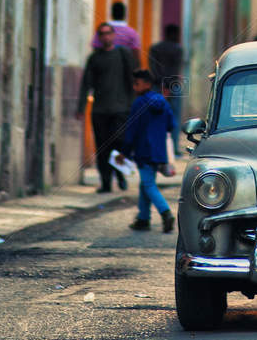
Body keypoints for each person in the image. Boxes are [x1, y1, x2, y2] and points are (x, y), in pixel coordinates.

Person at [77, 22, 135, 193]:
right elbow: (86, 84)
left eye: (108, 33)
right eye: (102, 34)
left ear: (113, 35)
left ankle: (120, 173)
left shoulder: (123, 54)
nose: (106, 37)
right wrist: (80, 107)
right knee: (102, 147)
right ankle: (106, 182)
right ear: (99, 37)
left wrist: (133, 105)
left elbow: (132, 80)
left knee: (119, 143)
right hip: (100, 110)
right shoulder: (94, 58)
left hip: (121, 110)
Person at [122, 67, 177, 233]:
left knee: (148, 184)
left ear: (146, 84)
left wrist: (125, 151)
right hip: (158, 152)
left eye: (136, 83)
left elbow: (131, 130)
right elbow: (171, 125)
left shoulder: (138, 103)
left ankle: (165, 212)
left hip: (143, 150)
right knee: (145, 184)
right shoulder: (163, 102)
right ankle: (143, 218)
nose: (134, 87)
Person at [149, 23, 185, 150]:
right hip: (173, 87)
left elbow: (153, 68)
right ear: (174, 34)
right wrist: (168, 86)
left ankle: (155, 145)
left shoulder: (154, 48)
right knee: (174, 117)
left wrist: (161, 84)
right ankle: (174, 148)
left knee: (155, 117)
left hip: (156, 86)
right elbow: (175, 70)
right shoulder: (178, 49)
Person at [109, 0, 141, 65]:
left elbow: (96, 48)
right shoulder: (132, 32)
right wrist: (137, 66)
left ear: (111, 13)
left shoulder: (102, 30)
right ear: (125, 15)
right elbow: (135, 52)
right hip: (125, 67)